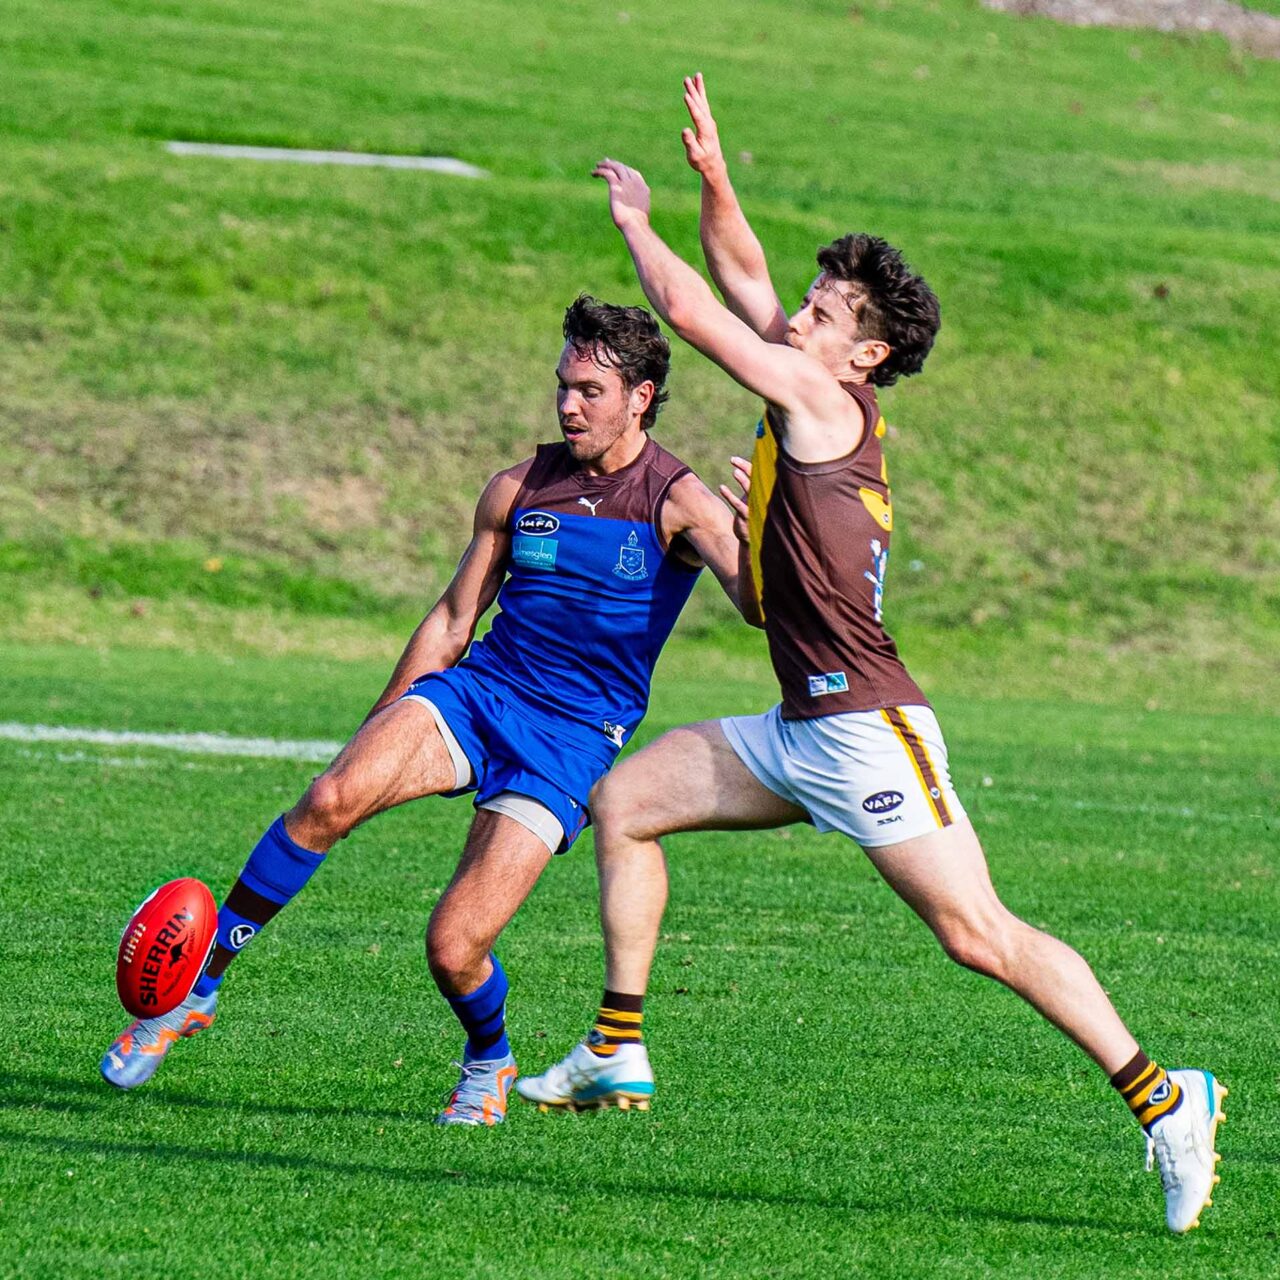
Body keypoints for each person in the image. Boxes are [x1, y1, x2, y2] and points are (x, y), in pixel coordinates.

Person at [517, 76, 1225, 1232]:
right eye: (809, 299)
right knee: (627, 800)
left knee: (975, 932)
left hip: (862, 727)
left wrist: (637, 226)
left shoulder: (818, 401)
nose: (798, 312)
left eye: (825, 310)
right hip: (798, 725)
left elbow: (697, 314)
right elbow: (740, 275)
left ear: (866, 353)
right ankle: (615, 1046)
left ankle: (1164, 1098)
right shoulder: (813, 374)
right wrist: (712, 178)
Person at [100, 294, 748, 1126]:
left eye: (589, 389)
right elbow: (452, 621)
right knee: (331, 796)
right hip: (482, 693)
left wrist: (763, 529)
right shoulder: (520, 486)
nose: (567, 403)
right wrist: (383, 720)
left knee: (454, 948)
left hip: (571, 744)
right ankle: (196, 990)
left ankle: (491, 1059)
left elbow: (762, 606)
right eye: (562, 384)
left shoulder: (680, 501)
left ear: (641, 397)